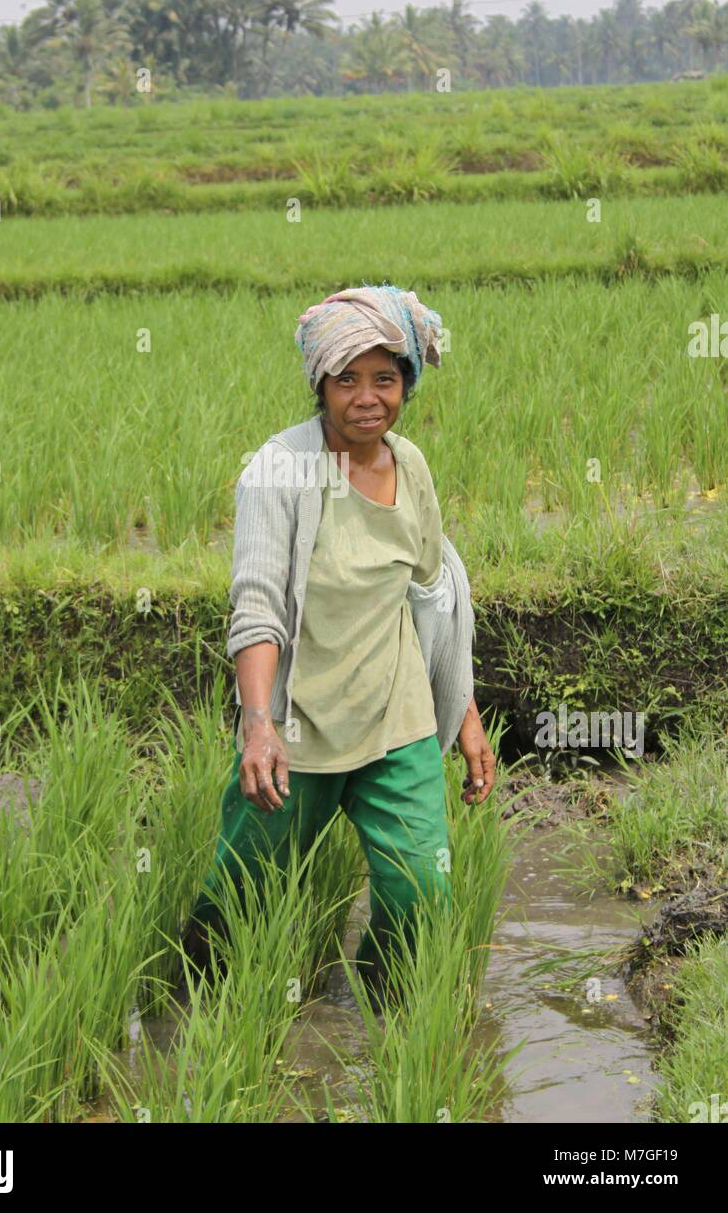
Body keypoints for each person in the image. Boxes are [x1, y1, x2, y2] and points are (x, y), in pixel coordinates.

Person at [182, 283, 495, 1005]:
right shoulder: (280, 469)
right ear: (318, 383)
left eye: (384, 378)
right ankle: (194, 1004)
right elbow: (257, 603)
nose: (366, 397)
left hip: (398, 720)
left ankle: (395, 1011)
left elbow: (435, 594)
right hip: (299, 730)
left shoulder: (410, 465)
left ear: (407, 383)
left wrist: (465, 715)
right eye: (346, 379)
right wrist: (259, 726)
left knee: (421, 887)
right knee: (243, 892)